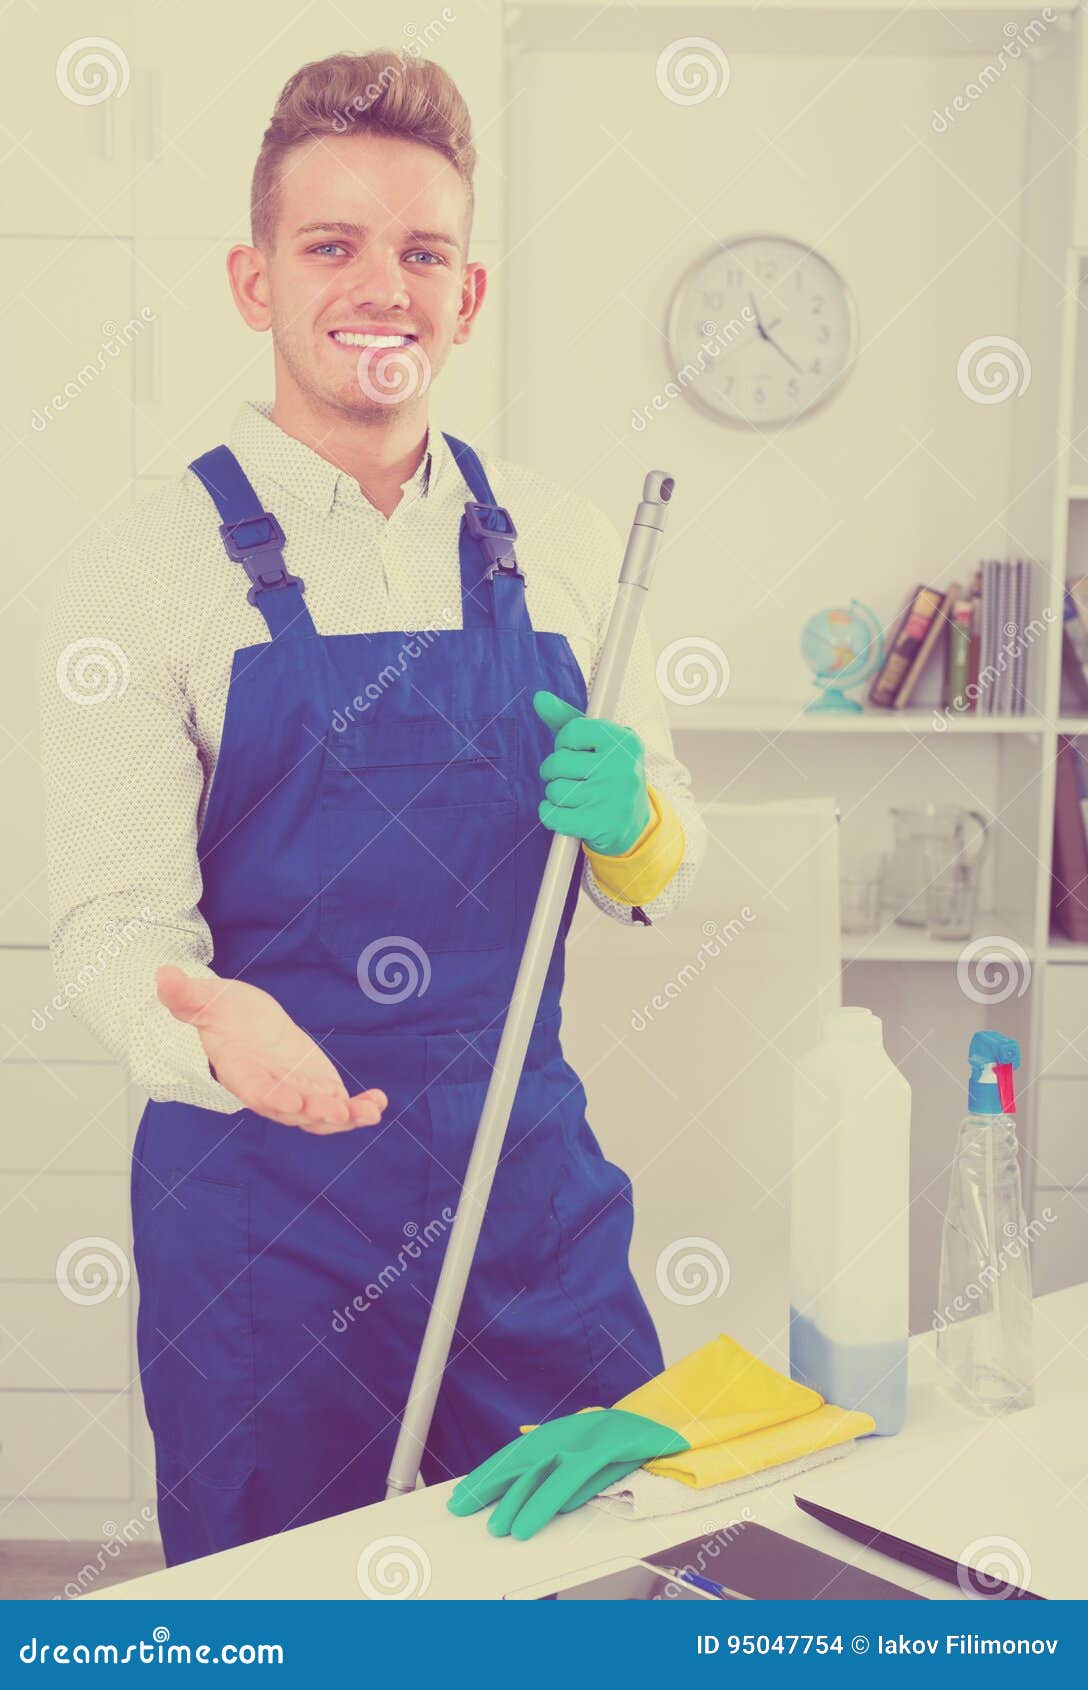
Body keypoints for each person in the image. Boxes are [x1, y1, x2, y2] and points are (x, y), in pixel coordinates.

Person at [38, 48, 705, 1568]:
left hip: (526, 1197)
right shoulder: (140, 569)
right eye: (330, 245)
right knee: (299, 1610)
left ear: (467, 296)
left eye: (423, 251)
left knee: (615, 1574)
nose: (378, 285)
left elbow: (659, 847)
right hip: (262, 1213)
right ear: (254, 278)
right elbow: (109, 923)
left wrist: (636, 823)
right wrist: (210, 1019)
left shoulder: (577, 544)